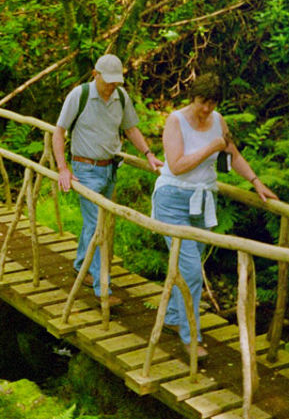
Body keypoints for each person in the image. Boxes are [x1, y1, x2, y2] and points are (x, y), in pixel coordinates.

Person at [152, 72, 277, 359]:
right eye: (202, 102)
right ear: (192, 98)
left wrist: (256, 182)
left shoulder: (218, 121)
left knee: (187, 267)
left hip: (203, 202)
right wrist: (210, 147)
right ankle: (191, 338)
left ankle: (174, 317)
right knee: (191, 272)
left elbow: (233, 155)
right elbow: (177, 165)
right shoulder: (175, 121)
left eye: (212, 103)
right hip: (172, 200)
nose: (206, 108)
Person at [52, 53, 164, 304]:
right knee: (98, 226)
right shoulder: (79, 95)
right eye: (108, 81)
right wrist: (62, 168)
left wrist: (148, 154)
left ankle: (81, 265)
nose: (111, 86)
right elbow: (58, 132)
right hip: (84, 169)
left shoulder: (120, 97)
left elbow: (130, 128)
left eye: (116, 81)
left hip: (110, 169)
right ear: (95, 75)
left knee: (94, 224)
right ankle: (103, 290)